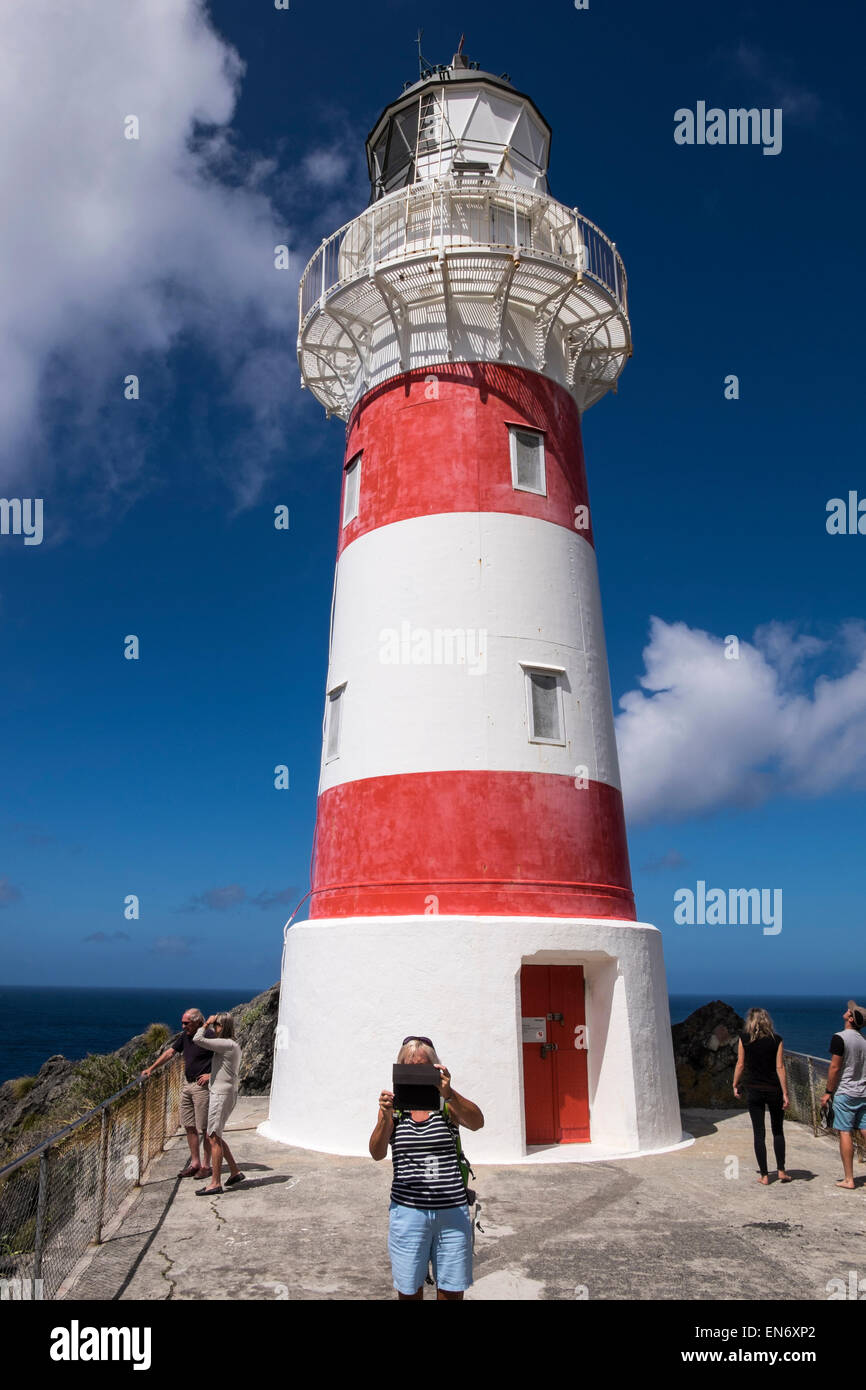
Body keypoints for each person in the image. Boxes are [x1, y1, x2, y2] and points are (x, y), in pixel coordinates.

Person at [369, 1035, 483, 1301]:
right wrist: (385, 1119)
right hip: (408, 1214)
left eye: (422, 1067)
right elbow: (377, 1152)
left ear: (436, 1068)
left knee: (451, 1293)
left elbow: (477, 1122)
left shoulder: (447, 1104)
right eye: (408, 1067)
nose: (416, 1072)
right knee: (409, 1292)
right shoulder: (395, 1110)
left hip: (451, 1212)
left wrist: (450, 1093)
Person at [142, 1008, 213, 1180]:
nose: (183, 1026)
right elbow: (170, 1053)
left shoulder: (209, 1036)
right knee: (189, 1125)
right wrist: (151, 1069)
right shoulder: (186, 1037)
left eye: (186, 1023)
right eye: (182, 1023)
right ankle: (194, 1163)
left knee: (205, 1128)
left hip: (202, 1087)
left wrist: (211, 1075)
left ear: (197, 1022)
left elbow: (227, 1056)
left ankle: (206, 1165)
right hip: (187, 1084)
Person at [733, 1007, 791, 1185]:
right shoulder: (777, 1040)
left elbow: (741, 1064)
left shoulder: (744, 1039)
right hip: (773, 1089)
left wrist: (735, 1084)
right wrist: (785, 1093)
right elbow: (780, 1067)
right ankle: (781, 1170)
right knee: (778, 1130)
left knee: (759, 1133)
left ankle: (765, 1175)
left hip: (754, 1089)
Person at [192, 1013, 244, 1195]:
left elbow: (197, 1039)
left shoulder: (226, 1044)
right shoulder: (233, 1045)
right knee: (217, 1136)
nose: (215, 1029)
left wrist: (205, 1023)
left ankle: (215, 1183)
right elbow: (225, 1068)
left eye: (217, 1025)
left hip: (221, 1095)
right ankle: (235, 1171)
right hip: (227, 1092)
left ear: (224, 1026)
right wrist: (212, 1076)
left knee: (212, 1137)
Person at [820, 1000, 866, 1190]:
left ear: (850, 1018)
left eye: (849, 1010)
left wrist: (828, 1092)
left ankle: (849, 1178)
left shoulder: (839, 1038)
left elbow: (835, 1067)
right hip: (863, 1092)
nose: (847, 1010)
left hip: (845, 1092)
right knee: (864, 1129)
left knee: (845, 1131)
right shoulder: (864, 1041)